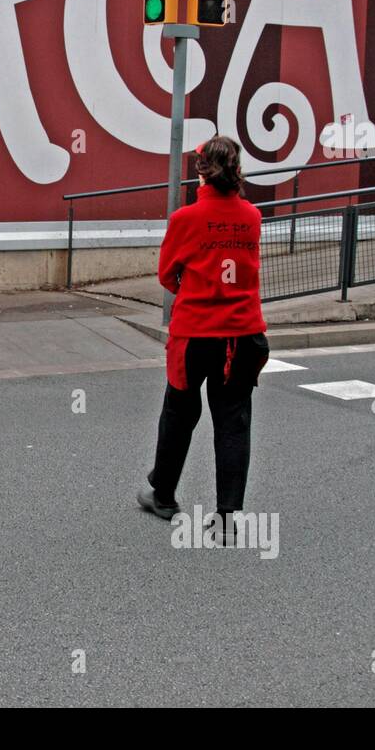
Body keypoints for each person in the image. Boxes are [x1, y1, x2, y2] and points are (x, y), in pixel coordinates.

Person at [136, 135, 270, 545]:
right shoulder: (251, 216)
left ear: (201, 172)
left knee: (178, 411)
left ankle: (163, 493)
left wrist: (193, 286)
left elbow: (167, 276)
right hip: (243, 332)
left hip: (196, 332)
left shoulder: (186, 220)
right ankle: (228, 514)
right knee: (234, 422)